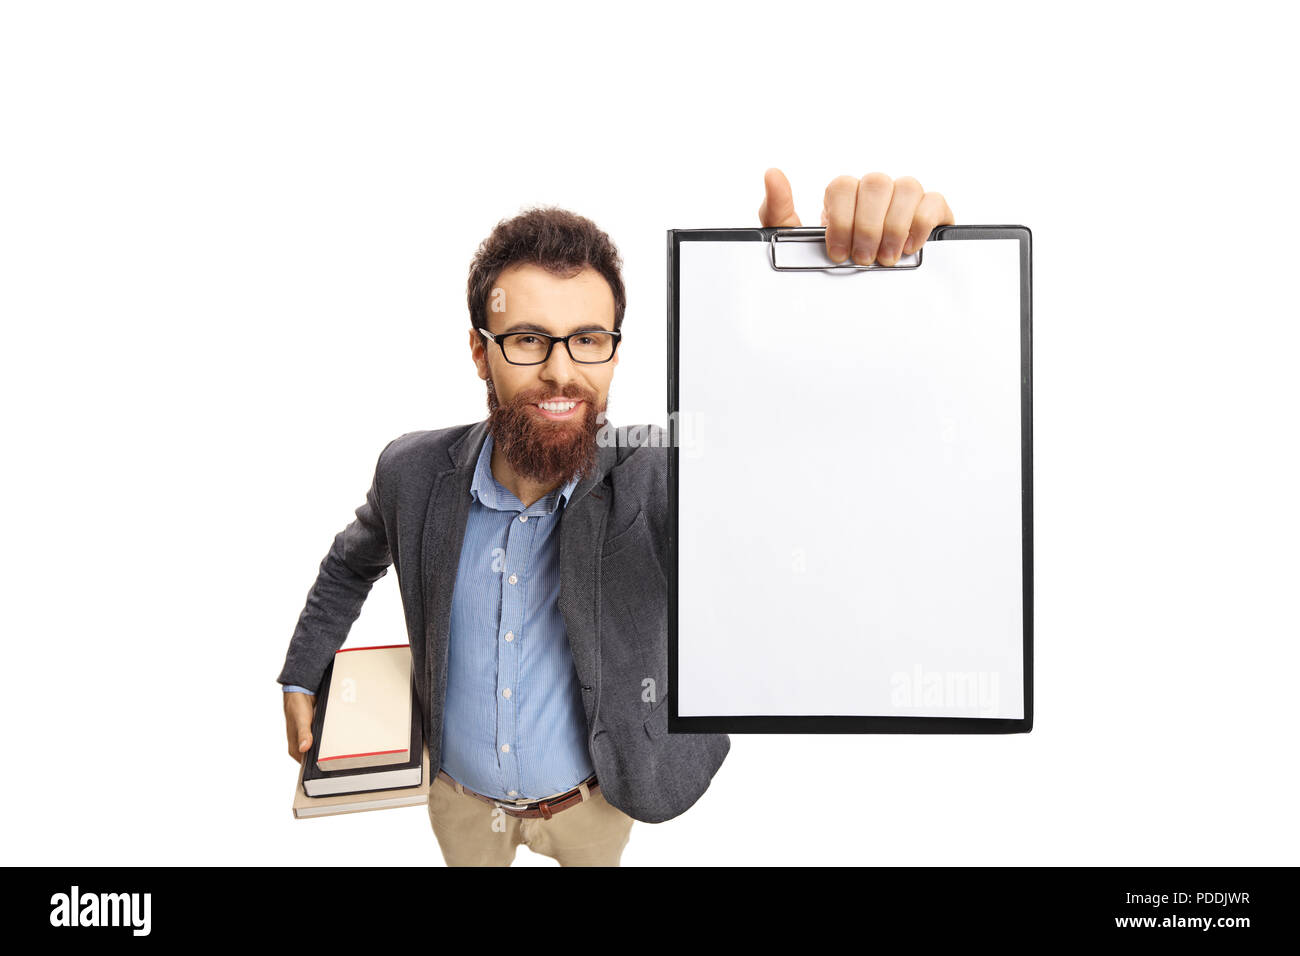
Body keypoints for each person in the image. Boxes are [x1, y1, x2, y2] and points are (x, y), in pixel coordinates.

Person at [278, 168, 955, 866]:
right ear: (480, 350)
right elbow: (350, 563)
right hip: (458, 797)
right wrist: (302, 671)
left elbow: (792, 488)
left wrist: (832, 313)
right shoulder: (412, 472)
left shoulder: (656, 473)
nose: (562, 373)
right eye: (528, 339)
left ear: (614, 350)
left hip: (594, 804)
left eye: (588, 339)